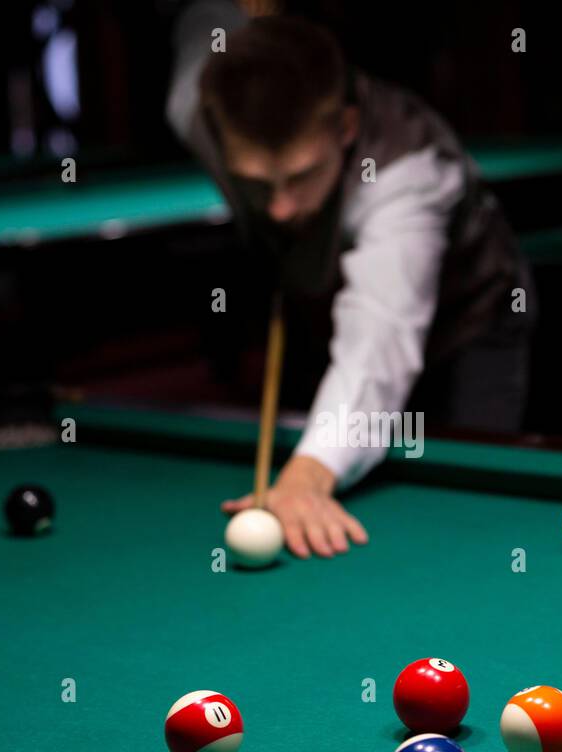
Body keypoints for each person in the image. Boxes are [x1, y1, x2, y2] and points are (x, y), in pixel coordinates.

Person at [167, 1, 536, 559]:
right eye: (257, 186)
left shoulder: (405, 172)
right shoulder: (191, 105)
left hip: (472, 321)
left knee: (468, 526)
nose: (282, 210)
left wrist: (311, 473)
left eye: (300, 176)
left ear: (345, 127)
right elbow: (202, 17)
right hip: (323, 299)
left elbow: (378, 337)